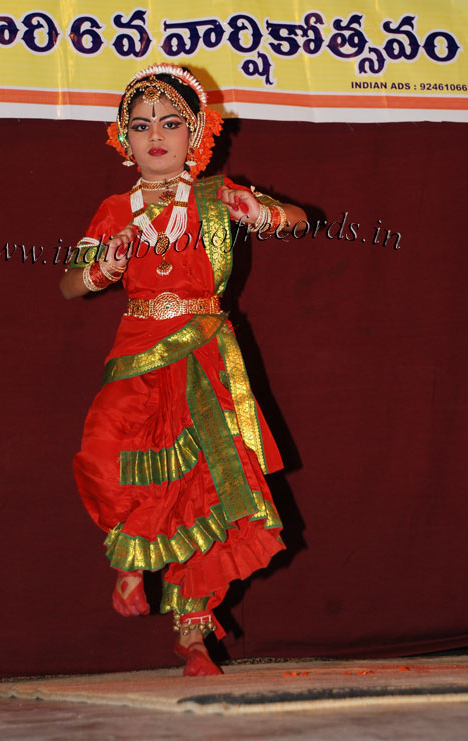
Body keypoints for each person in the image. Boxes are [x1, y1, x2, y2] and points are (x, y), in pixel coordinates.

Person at [60, 64, 305, 676]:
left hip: (204, 350)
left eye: (171, 123)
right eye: (141, 126)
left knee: (207, 484)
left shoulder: (217, 197)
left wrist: (260, 211)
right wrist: (103, 269)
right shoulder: (115, 210)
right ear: (124, 138)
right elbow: (68, 285)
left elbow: (300, 219)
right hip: (139, 347)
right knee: (105, 450)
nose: (156, 136)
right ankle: (130, 557)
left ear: (197, 134)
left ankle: (194, 631)